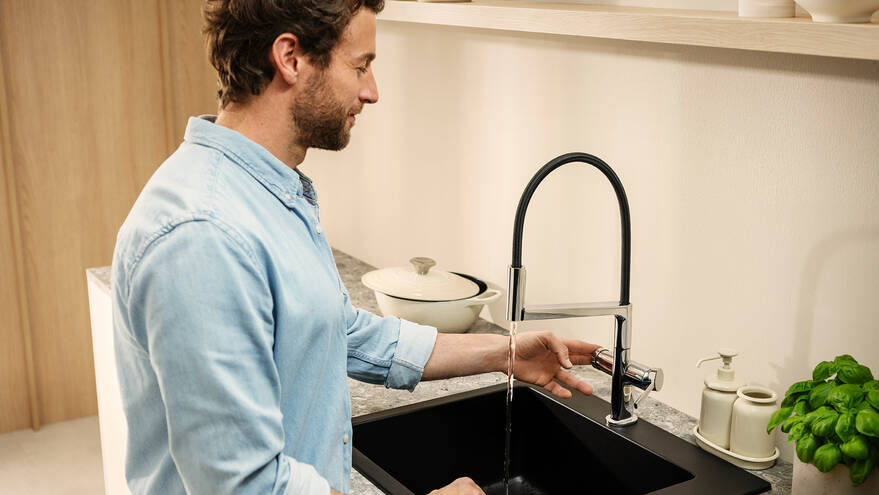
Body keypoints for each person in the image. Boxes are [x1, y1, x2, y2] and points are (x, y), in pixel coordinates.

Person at [111, 1, 599, 494]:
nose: (372, 91)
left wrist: (505, 353)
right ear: (291, 58)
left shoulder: (267, 194)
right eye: (360, 65)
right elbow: (245, 486)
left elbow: (338, 331)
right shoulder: (205, 236)